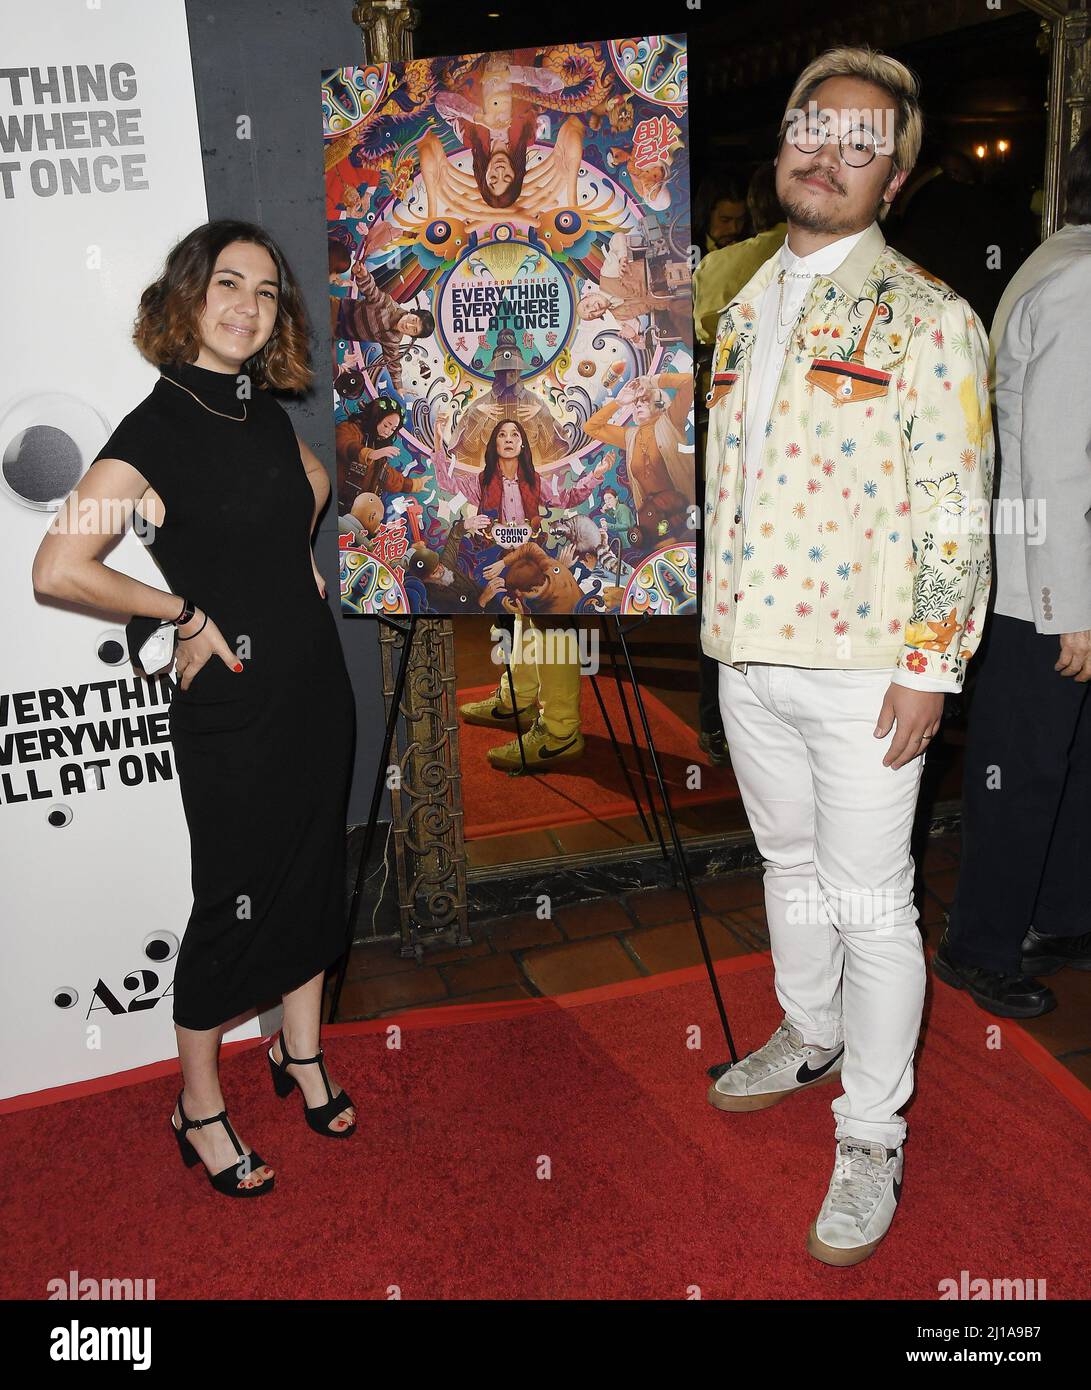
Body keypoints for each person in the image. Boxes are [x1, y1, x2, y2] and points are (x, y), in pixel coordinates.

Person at [700, 48, 994, 1266]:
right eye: (805, 129)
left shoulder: (931, 317)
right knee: (784, 863)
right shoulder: (735, 302)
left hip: (867, 666)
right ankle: (804, 1028)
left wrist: (929, 668)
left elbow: (954, 511)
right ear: (779, 144)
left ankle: (869, 1130)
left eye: (856, 141)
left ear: (896, 176)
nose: (822, 153)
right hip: (745, 653)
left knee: (871, 903)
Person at [32, 220, 358, 1200]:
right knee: (233, 899)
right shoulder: (153, 428)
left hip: (311, 681)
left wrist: (293, 552)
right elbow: (58, 566)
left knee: (309, 875)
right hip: (231, 706)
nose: (247, 305)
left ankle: (298, 1055)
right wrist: (180, 609)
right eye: (228, 284)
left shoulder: (256, 408)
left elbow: (307, 479)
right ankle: (199, 1104)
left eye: (265, 291)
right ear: (187, 297)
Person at [935, 128, 1091, 1015]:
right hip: (1043, 579)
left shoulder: (1062, 260)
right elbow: (1057, 457)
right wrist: (1070, 606)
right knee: (1021, 767)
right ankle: (980, 945)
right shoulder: (1076, 281)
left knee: (1066, 762)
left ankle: (1063, 913)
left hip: (1054, 568)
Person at [692, 162, 790, 347]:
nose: (733, 229)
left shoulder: (752, 241)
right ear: (706, 215)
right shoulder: (686, 245)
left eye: (740, 219)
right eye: (725, 220)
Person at [336, 395, 423, 532]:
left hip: (355, 517)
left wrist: (413, 485)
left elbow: (387, 476)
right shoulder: (351, 429)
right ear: (375, 418)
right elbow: (345, 444)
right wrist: (369, 454)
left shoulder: (378, 444)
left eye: (392, 429)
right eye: (386, 425)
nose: (387, 432)